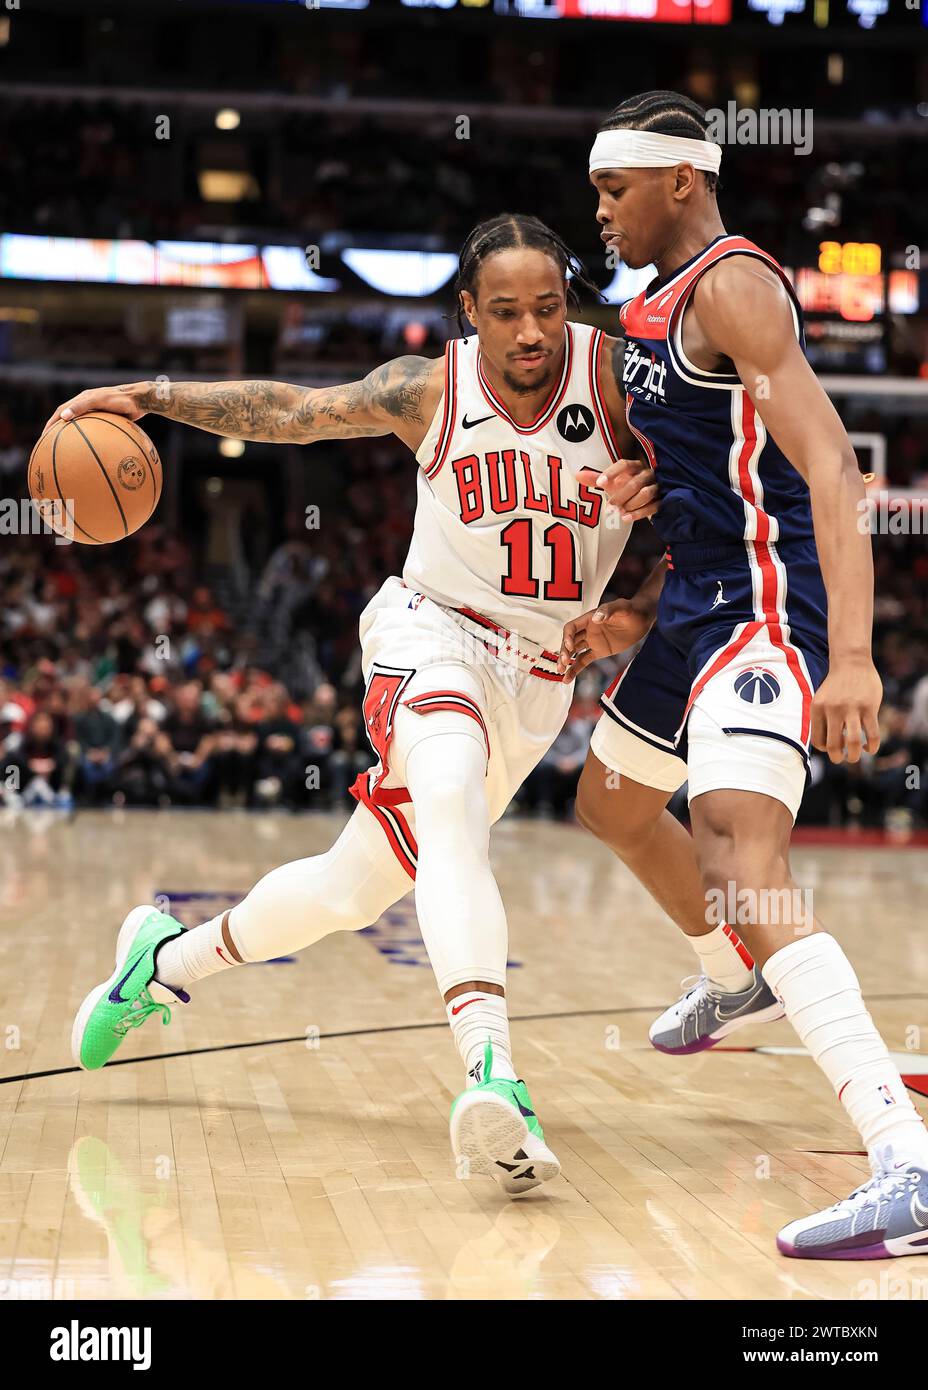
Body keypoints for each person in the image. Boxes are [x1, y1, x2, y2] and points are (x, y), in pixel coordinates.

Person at [53, 213, 659, 1197]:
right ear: (469, 313)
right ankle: (493, 1071)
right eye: (503, 312)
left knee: (347, 892)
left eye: (547, 307)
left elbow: (705, 517)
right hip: (431, 636)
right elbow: (289, 410)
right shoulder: (426, 390)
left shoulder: (621, 386)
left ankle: (162, 963)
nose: (528, 332)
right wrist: (154, 395)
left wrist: (634, 597)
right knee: (452, 805)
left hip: (539, 683)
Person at [559, 90, 928, 1258]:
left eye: (613, 190)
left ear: (678, 180)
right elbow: (701, 483)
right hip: (690, 604)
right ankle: (734, 976)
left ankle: (903, 1161)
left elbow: (828, 470)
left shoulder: (733, 283)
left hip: (766, 607)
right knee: (609, 802)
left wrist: (855, 654)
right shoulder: (647, 312)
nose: (600, 214)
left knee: (734, 845)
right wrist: (632, 590)